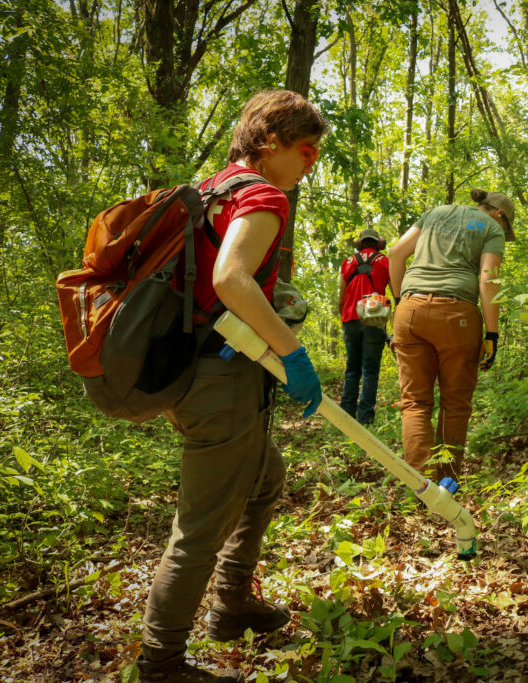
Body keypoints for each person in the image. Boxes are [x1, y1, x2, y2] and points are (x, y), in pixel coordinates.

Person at [135, 90, 326, 683]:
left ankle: (232, 601)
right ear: (271, 143)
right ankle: (161, 661)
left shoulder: (214, 188)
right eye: (306, 150)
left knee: (265, 474)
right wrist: (293, 354)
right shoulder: (263, 194)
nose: (310, 165)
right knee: (201, 526)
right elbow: (230, 277)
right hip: (220, 376)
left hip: (190, 369)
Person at [389, 188, 515, 482]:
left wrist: (399, 302)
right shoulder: (491, 229)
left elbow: (396, 254)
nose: (504, 232)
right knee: (455, 405)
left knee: (414, 403)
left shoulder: (436, 213)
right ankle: (447, 487)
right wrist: (492, 334)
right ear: (500, 216)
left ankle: (421, 489)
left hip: (410, 311)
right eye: (507, 227)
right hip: (457, 315)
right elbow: (488, 280)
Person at [338, 228, 392, 425]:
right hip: (374, 318)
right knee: (370, 370)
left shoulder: (348, 262)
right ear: (378, 243)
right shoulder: (384, 261)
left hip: (350, 318)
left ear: (360, 244)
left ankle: (345, 417)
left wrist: (343, 317)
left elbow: (341, 298)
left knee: (352, 369)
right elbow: (395, 292)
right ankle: (365, 419)